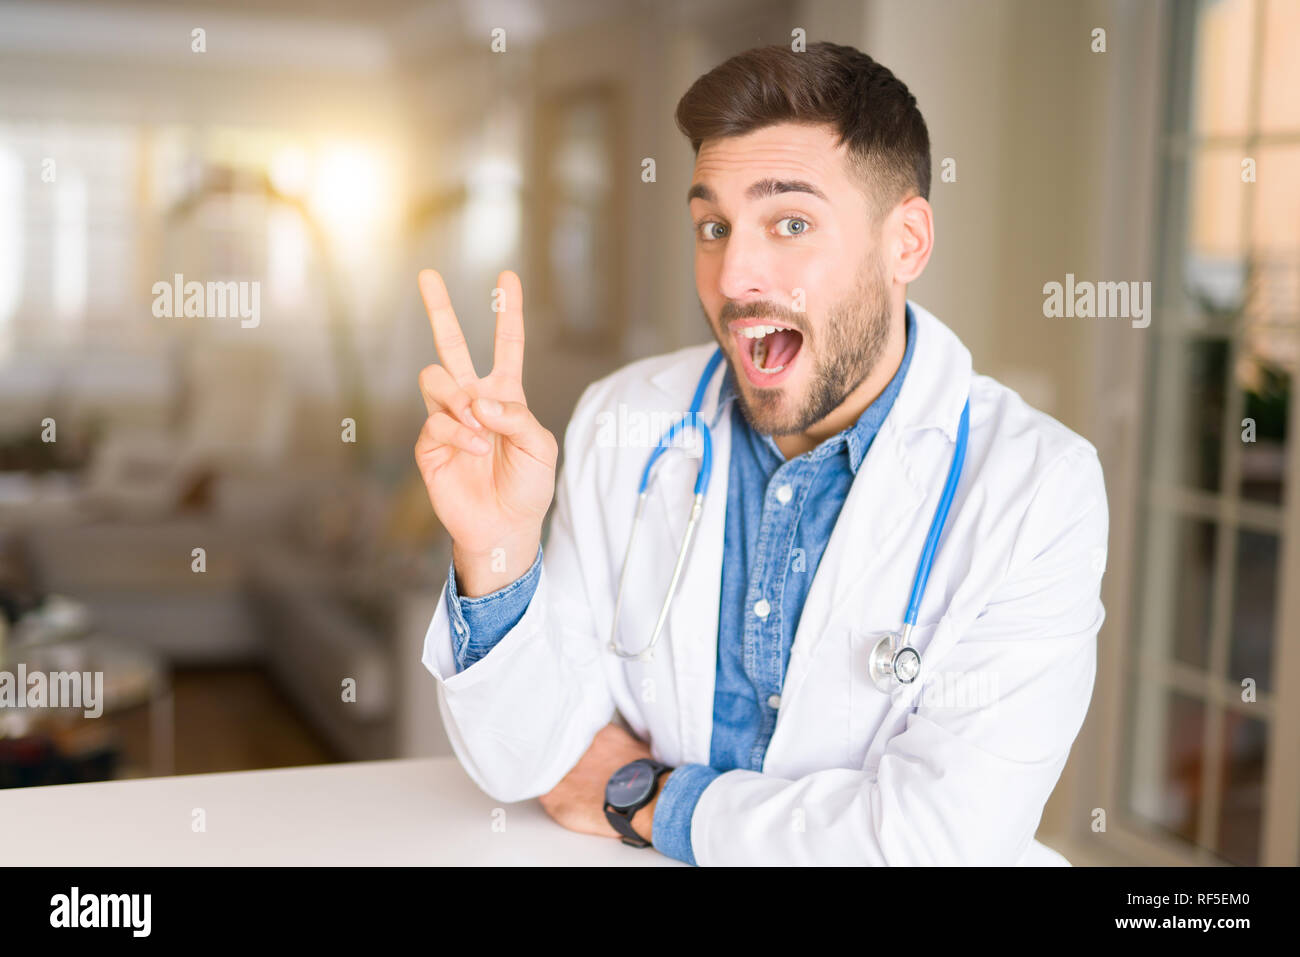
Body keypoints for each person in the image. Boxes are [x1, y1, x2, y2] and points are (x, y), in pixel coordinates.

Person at [414, 41, 1107, 866]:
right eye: (713, 225)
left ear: (907, 243)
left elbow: (934, 842)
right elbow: (531, 758)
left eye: (791, 223)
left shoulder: (1037, 490)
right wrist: (494, 550)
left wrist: (653, 797)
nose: (734, 274)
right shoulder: (624, 419)